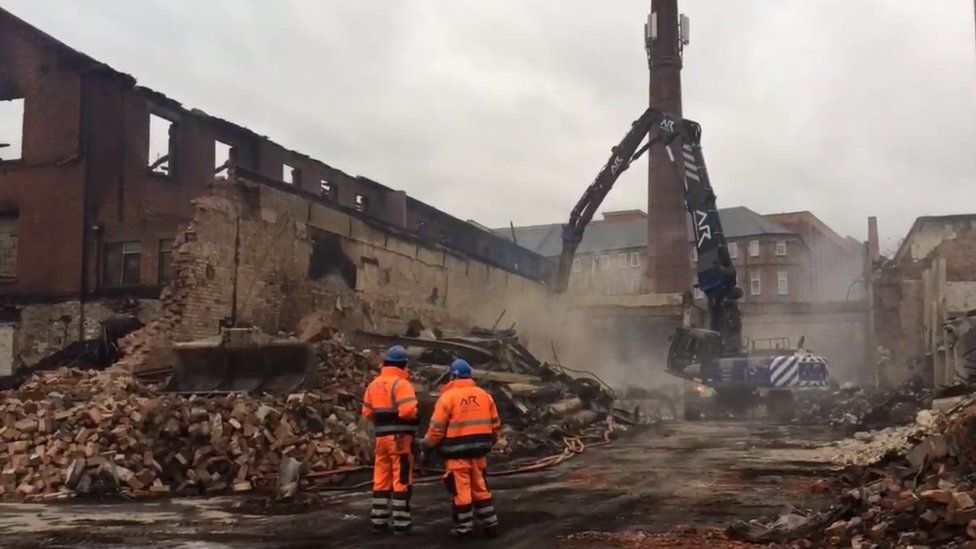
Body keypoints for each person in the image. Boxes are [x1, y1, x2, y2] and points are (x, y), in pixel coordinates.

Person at [422, 358, 501, 538]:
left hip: (456, 454)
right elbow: (495, 425)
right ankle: (491, 524)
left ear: (452, 376)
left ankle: (464, 528)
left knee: (461, 490)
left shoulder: (447, 398)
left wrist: (426, 445)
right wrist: (491, 441)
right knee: (481, 488)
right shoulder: (484, 395)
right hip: (479, 453)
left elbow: (436, 429)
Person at [361, 345, 419, 535]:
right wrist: (414, 419)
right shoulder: (401, 384)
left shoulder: (374, 384)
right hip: (400, 440)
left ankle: (379, 520)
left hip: (381, 439)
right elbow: (408, 411)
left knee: (381, 479)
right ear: (402, 364)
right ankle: (401, 522)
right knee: (401, 478)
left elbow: (367, 413)